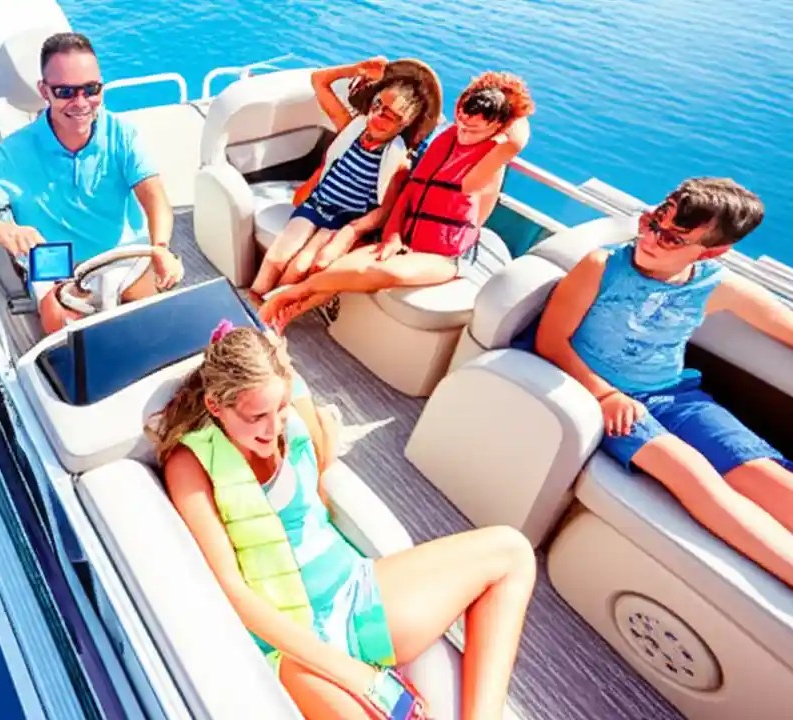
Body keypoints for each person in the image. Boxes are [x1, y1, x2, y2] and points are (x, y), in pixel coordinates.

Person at [146, 322, 536, 719]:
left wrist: (288, 380)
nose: (273, 427)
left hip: (354, 593)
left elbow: (318, 462)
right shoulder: (190, 464)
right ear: (216, 406)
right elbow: (234, 593)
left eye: (279, 408)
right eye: (256, 416)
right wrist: (358, 677)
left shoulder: (292, 421)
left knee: (512, 552)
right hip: (290, 642)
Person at [534, 177, 793, 586]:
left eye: (672, 239)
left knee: (770, 478)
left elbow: (785, 326)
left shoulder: (717, 286)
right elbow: (550, 340)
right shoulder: (602, 268)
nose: (652, 239)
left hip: (677, 397)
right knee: (691, 472)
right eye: (652, 222)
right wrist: (606, 394)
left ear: (713, 251)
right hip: (605, 395)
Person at [0, 31, 183, 334]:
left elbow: (154, 196)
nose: (81, 102)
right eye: (65, 92)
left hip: (123, 251)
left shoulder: (122, 135)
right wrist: (3, 230)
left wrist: (160, 247)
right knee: (67, 337)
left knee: (157, 327)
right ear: (45, 91)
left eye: (90, 89)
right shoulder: (12, 156)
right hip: (55, 262)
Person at [259, 72, 534, 332]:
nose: (463, 133)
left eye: (474, 131)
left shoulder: (490, 162)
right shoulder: (446, 142)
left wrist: (510, 107)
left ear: (499, 126)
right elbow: (410, 193)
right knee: (338, 269)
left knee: (371, 271)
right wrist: (392, 236)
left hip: (443, 255)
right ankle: (282, 315)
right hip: (405, 239)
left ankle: (285, 297)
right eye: (461, 123)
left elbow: (515, 143)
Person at [249, 58, 443, 299]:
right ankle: (252, 306)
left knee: (301, 266)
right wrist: (356, 70)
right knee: (277, 258)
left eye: (390, 116)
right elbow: (318, 81)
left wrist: (353, 231)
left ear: (403, 124)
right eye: (377, 105)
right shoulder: (351, 129)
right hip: (315, 206)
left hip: (343, 219)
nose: (377, 117)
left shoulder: (398, 161)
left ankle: (267, 313)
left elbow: (385, 209)